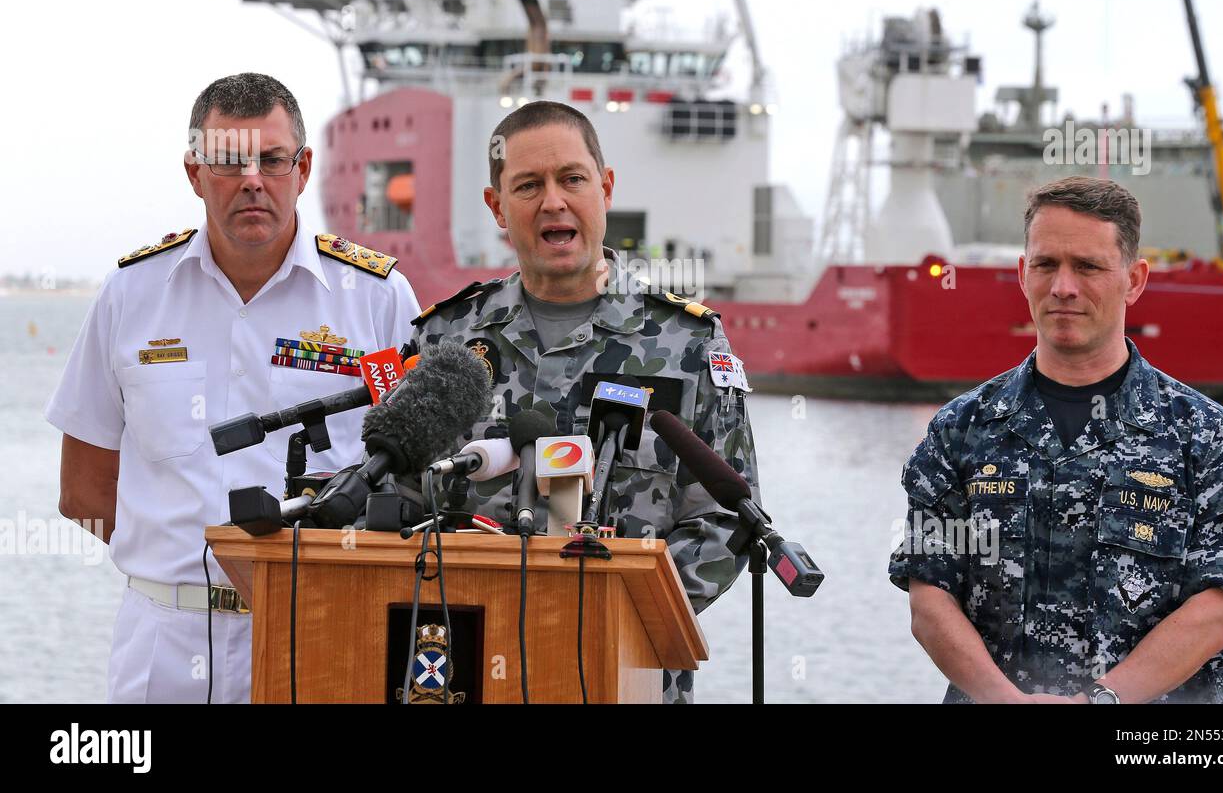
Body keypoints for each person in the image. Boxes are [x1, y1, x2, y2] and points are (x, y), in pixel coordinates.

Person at [46, 73, 420, 703]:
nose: (252, 179)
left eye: (272, 160)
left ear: (301, 170)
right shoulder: (130, 296)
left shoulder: (376, 302)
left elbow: (409, 466)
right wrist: (172, 561)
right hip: (164, 643)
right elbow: (83, 488)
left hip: (322, 628)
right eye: (227, 162)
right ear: (195, 173)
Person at [411, 100, 759, 704]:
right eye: (528, 185)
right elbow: (400, 500)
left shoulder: (688, 344)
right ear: (496, 206)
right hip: (465, 669)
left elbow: (729, 519)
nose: (553, 201)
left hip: (624, 674)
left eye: (572, 178)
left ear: (605, 186)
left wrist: (609, 606)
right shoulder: (446, 338)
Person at [888, 176, 1223, 703]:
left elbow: (1215, 610)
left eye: (1087, 267)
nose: (1063, 286)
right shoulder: (961, 431)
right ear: (1023, 274)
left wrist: (1099, 704)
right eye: (1046, 265)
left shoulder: (1203, 436)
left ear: (1134, 280)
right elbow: (929, 598)